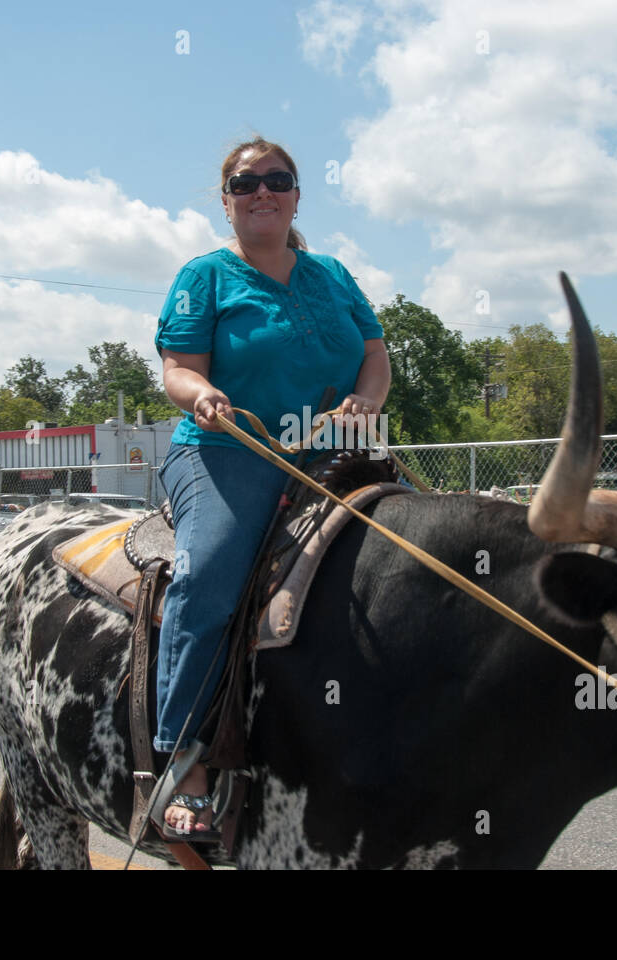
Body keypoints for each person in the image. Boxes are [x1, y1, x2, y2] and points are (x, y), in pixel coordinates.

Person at [152, 137, 391, 838]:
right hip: (228, 451)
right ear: (226, 200)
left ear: (296, 195)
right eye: (245, 182)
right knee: (211, 579)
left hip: (336, 453)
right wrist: (201, 393)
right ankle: (183, 757)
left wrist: (368, 404)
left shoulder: (334, 274)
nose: (263, 191)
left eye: (277, 180)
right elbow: (176, 366)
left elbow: (374, 356)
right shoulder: (205, 276)